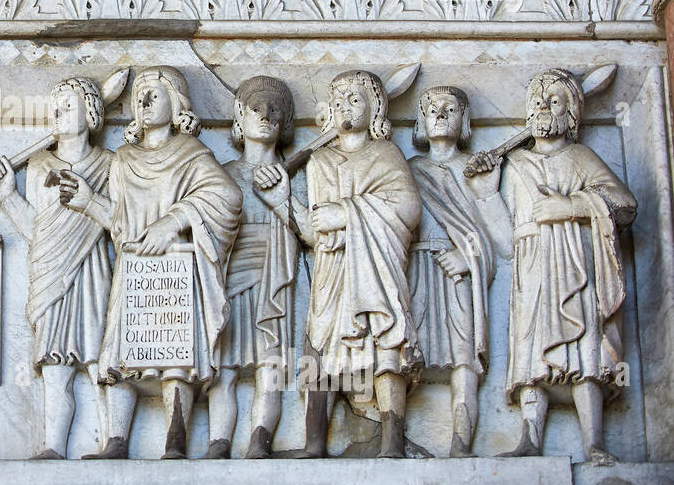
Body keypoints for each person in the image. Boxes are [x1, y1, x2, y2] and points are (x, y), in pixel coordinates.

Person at [59, 66, 241, 460]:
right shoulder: (123, 160)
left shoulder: (192, 153)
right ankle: (116, 441)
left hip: (177, 270)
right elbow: (122, 226)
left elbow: (226, 197)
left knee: (177, 359)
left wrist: (174, 221)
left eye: (154, 94)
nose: (142, 102)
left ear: (176, 103)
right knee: (122, 356)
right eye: (138, 96)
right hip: (135, 269)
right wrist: (89, 202)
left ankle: (175, 442)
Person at [470, 69, 636, 464]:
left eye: (554, 101)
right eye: (538, 103)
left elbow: (626, 204)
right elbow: (504, 242)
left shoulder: (580, 157)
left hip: (575, 262)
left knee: (584, 350)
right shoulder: (515, 164)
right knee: (530, 352)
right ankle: (530, 440)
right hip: (532, 265)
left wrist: (573, 206)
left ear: (571, 114)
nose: (543, 109)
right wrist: (487, 194)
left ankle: (594, 441)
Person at [256, 69, 421, 458]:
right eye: (340, 100)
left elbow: (409, 208)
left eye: (356, 99)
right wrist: (282, 200)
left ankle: (392, 442)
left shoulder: (386, 154)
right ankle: (315, 443)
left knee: (385, 346)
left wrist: (347, 213)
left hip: (377, 271)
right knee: (321, 351)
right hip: (332, 274)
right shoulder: (320, 163)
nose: (346, 106)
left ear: (375, 109)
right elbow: (313, 233)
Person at [0, 76, 114, 459]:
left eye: (68, 106)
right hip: (50, 272)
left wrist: (91, 202)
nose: (59, 113)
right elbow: (36, 231)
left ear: (91, 113)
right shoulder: (39, 165)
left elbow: (120, 223)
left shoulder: (110, 164)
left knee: (99, 364)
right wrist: (7, 197)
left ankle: (111, 444)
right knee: (56, 366)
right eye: (55, 108)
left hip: (92, 270)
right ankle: (54, 446)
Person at [407, 85, 510, 457]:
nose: (439, 113)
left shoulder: (472, 172)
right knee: (404, 351)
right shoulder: (409, 169)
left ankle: (460, 445)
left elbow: (505, 242)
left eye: (450, 108)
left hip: (457, 275)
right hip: (414, 268)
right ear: (420, 120)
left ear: (464, 120)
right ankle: (392, 438)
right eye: (431, 108)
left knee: (464, 359)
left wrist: (468, 256)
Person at [214, 76, 300, 459]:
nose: (265, 116)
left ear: (285, 123)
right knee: (224, 368)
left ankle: (260, 443)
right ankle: (218, 443)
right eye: (256, 109)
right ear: (240, 118)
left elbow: (312, 229)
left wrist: (283, 197)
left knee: (270, 365)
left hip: (278, 275)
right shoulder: (224, 173)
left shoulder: (298, 176)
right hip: (232, 273)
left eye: (274, 110)